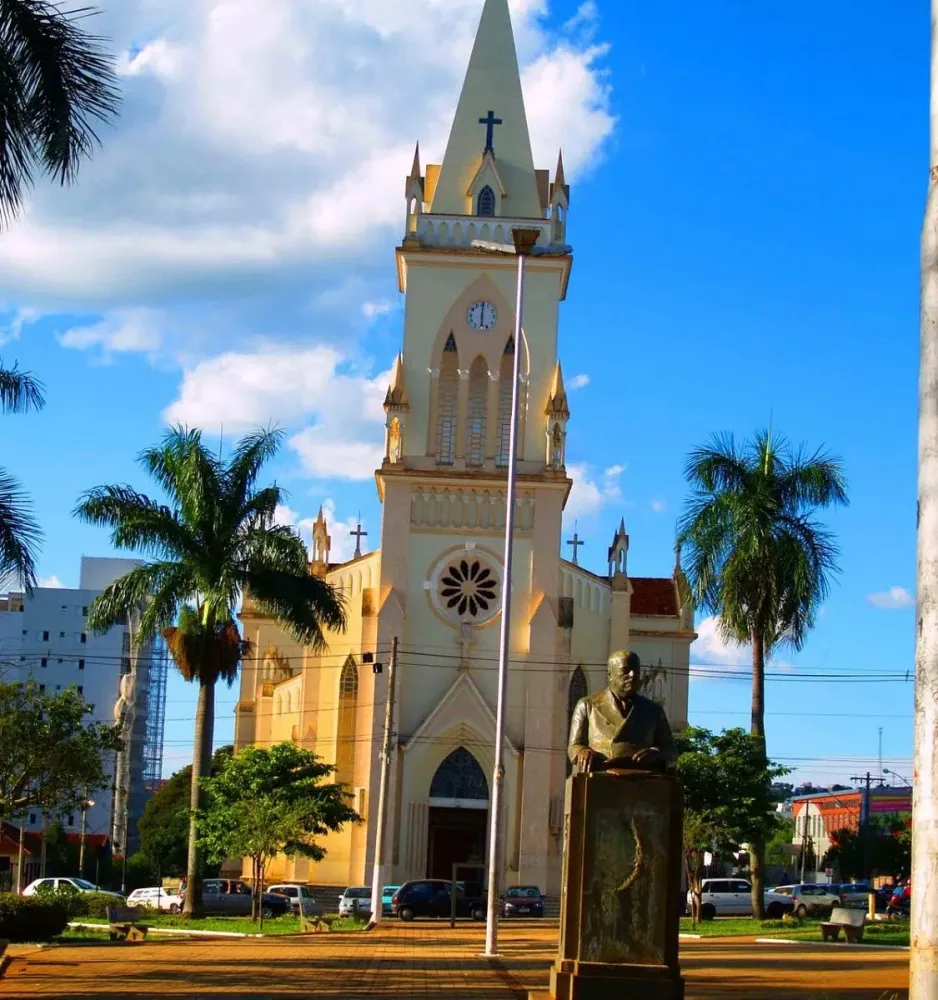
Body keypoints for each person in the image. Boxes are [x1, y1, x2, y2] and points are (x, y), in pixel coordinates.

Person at [567, 649, 676, 772]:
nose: (632, 675)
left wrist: (655, 753)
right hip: (600, 777)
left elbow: (670, 751)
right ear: (610, 675)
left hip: (641, 780)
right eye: (625, 671)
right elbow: (574, 746)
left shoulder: (653, 710)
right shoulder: (588, 705)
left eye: (636, 670)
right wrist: (582, 752)